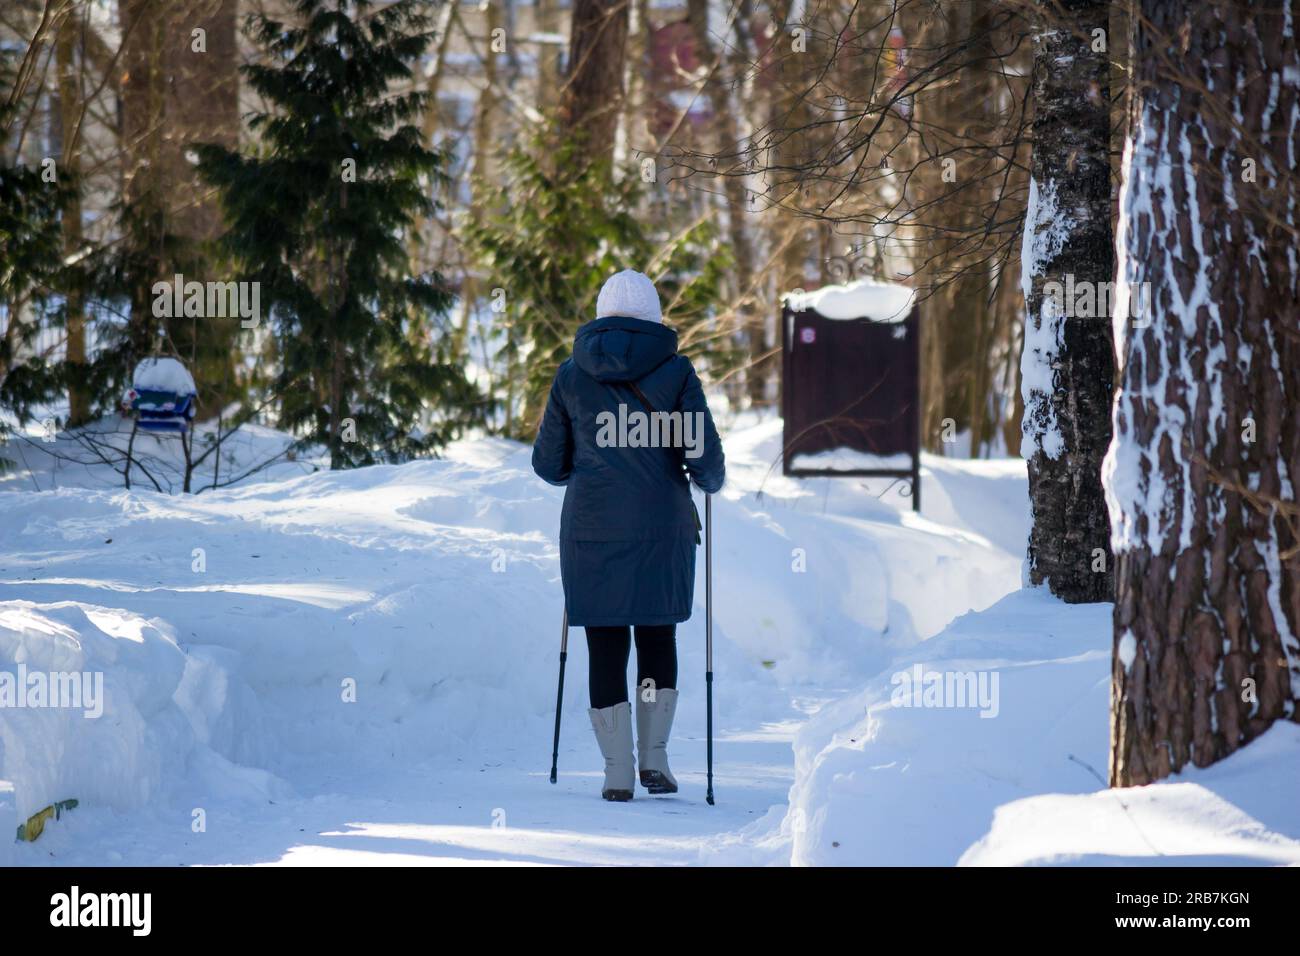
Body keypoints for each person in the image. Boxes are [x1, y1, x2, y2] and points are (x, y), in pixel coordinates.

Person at [532, 269, 725, 801]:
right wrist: (707, 481)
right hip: (663, 529)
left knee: (604, 641)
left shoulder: (572, 375)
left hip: (592, 531)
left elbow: (548, 465)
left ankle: (617, 771)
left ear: (601, 314)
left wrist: (594, 465)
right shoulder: (677, 372)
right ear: (655, 316)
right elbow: (703, 457)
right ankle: (655, 759)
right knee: (657, 636)